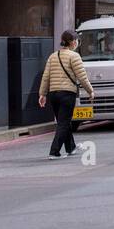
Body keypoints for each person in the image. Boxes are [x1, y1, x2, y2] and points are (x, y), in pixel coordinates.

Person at [37, 29, 95, 160]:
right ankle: (54, 151)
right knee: (63, 123)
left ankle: (71, 147)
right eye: (77, 41)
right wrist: (90, 90)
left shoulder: (53, 56)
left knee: (63, 121)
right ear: (73, 42)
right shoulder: (74, 56)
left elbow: (46, 76)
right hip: (67, 94)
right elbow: (82, 77)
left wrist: (42, 94)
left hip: (53, 94)